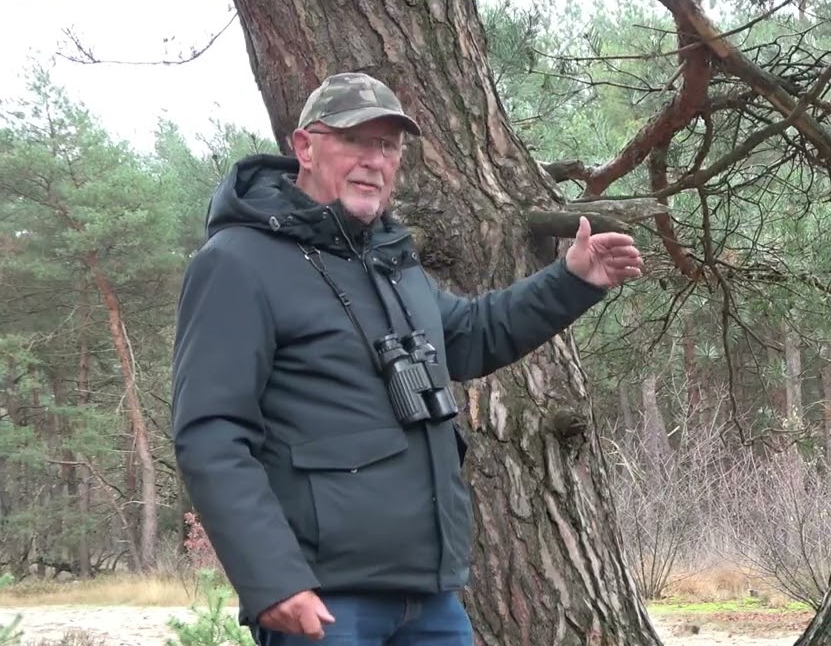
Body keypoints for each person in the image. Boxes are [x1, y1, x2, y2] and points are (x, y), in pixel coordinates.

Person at [171, 72, 643, 645]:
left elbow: (469, 335)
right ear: (305, 147)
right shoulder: (237, 263)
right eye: (355, 141)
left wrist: (572, 281)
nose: (375, 160)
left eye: (388, 146)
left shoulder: (388, 261)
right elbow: (211, 433)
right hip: (323, 601)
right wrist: (271, 577)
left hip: (428, 598)